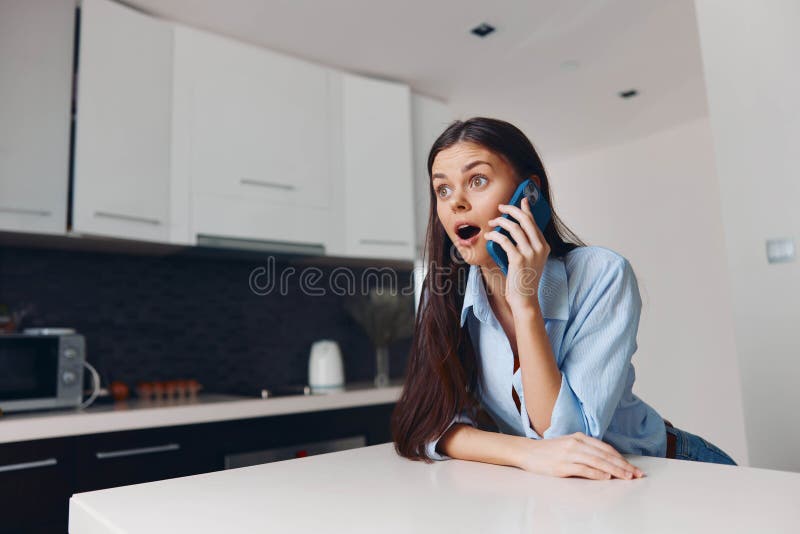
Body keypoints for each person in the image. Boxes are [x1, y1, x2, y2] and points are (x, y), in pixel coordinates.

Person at [391, 117, 736, 480]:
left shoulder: (602, 273)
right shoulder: (447, 290)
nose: (456, 202)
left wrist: (525, 303)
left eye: (477, 180)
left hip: (667, 470)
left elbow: (571, 438)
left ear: (529, 193)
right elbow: (425, 425)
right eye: (442, 190)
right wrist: (525, 453)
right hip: (573, 492)